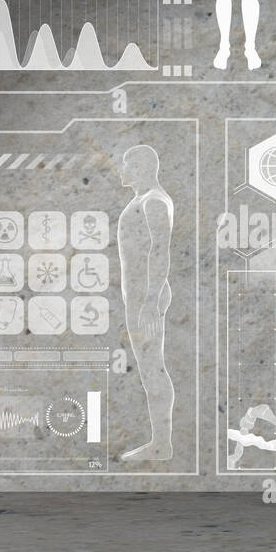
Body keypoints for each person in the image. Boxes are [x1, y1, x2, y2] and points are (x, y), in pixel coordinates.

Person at [117, 145, 175, 461]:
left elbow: (160, 250)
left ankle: (161, 444)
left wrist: (151, 301)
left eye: (126, 163)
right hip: (139, 298)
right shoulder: (141, 200)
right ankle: (159, 441)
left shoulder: (153, 201)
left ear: (141, 167)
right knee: (148, 367)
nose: (121, 170)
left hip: (146, 300)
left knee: (153, 368)